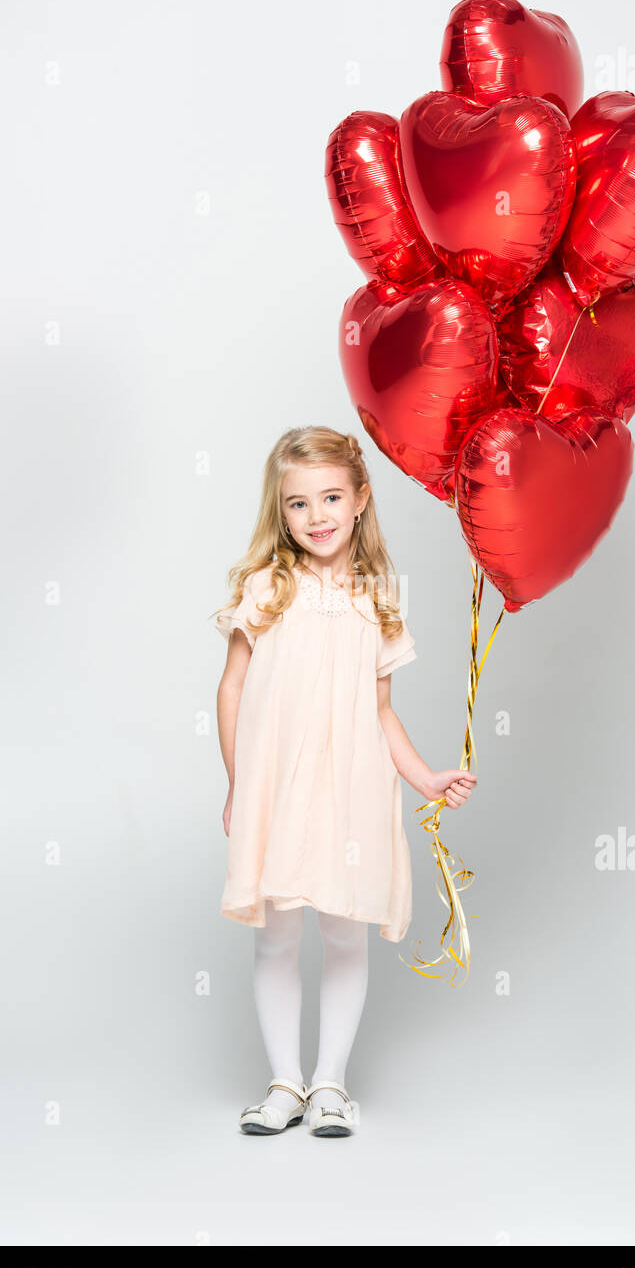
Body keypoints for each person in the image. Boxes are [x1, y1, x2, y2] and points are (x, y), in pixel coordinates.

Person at [212, 426, 476, 1136]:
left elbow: (381, 710)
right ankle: (282, 1084)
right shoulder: (263, 589)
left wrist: (423, 777)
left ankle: (329, 1084)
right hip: (277, 786)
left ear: (360, 499)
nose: (316, 515)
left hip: (351, 789)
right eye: (298, 503)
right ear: (280, 509)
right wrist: (240, 781)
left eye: (331, 497)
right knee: (273, 934)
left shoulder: (377, 597)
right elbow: (232, 689)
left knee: (343, 934)